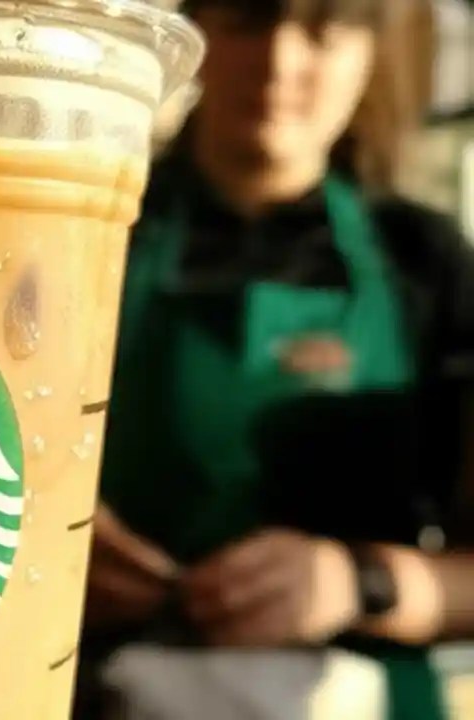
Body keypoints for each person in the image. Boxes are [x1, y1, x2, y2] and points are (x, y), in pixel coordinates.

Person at [86, 0, 474, 718]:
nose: (279, 63)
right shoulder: (95, 228)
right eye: (249, 19)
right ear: (194, 32)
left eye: (322, 30)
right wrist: (54, 547)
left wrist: (359, 582)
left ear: (369, 54)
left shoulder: (427, 260)